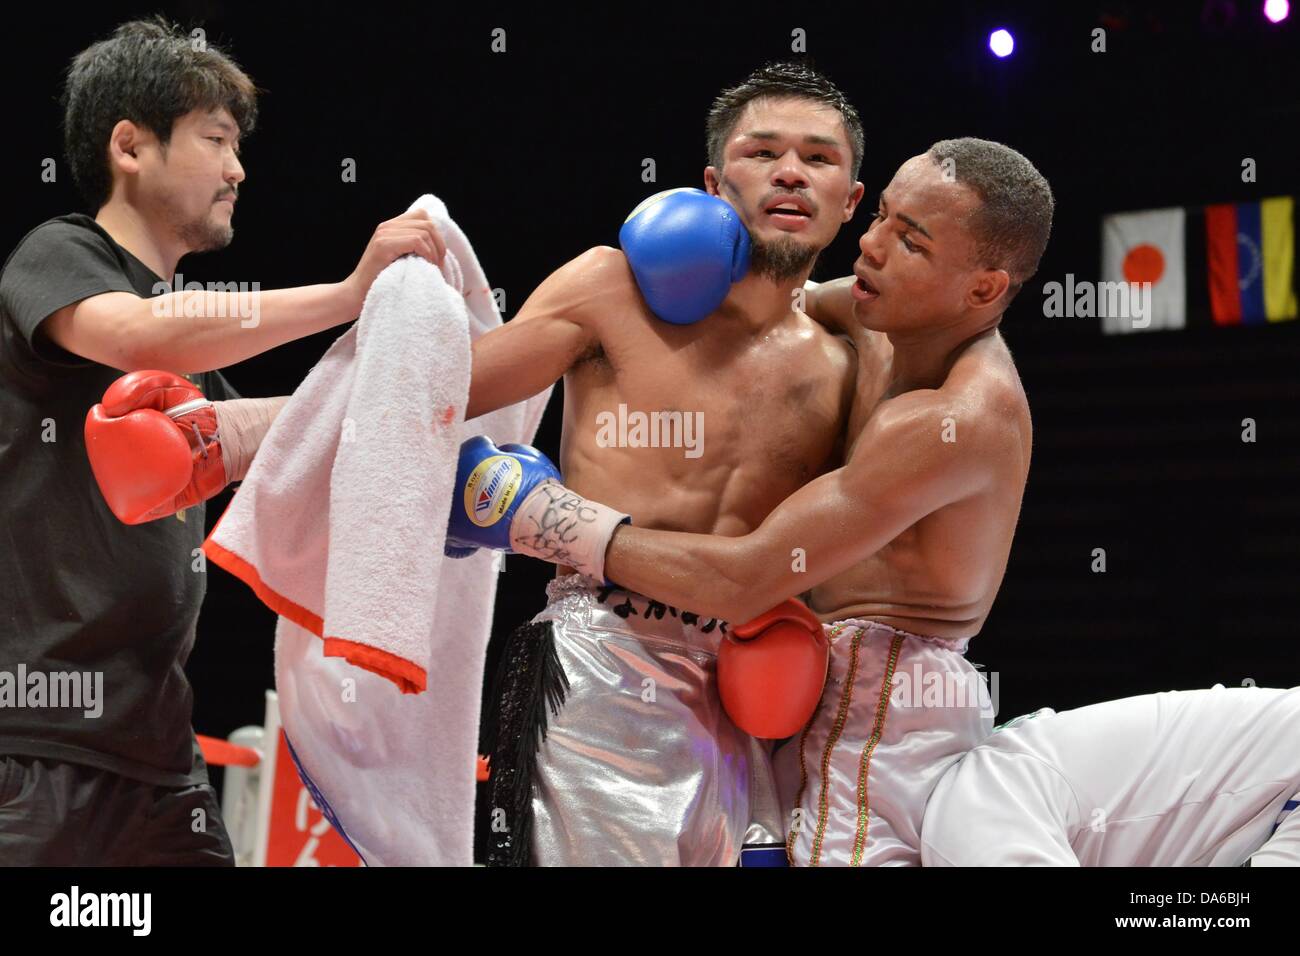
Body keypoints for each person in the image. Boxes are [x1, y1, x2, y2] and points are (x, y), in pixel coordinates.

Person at [453, 136, 1049, 866]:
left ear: (985, 289)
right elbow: (773, 309)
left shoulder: (958, 418)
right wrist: (706, 259)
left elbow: (746, 581)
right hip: (788, 700)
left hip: (887, 714)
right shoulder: (871, 319)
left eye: (912, 242)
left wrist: (540, 518)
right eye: (884, 216)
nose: (873, 245)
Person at [0, 17, 440, 864]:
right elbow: (138, 336)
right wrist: (348, 294)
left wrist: (445, 368)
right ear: (130, 147)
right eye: (215, 139)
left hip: (160, 757)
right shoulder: (54, 257)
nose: (239, 168)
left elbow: (304, 426)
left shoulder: (193, 368)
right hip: (34, 744)